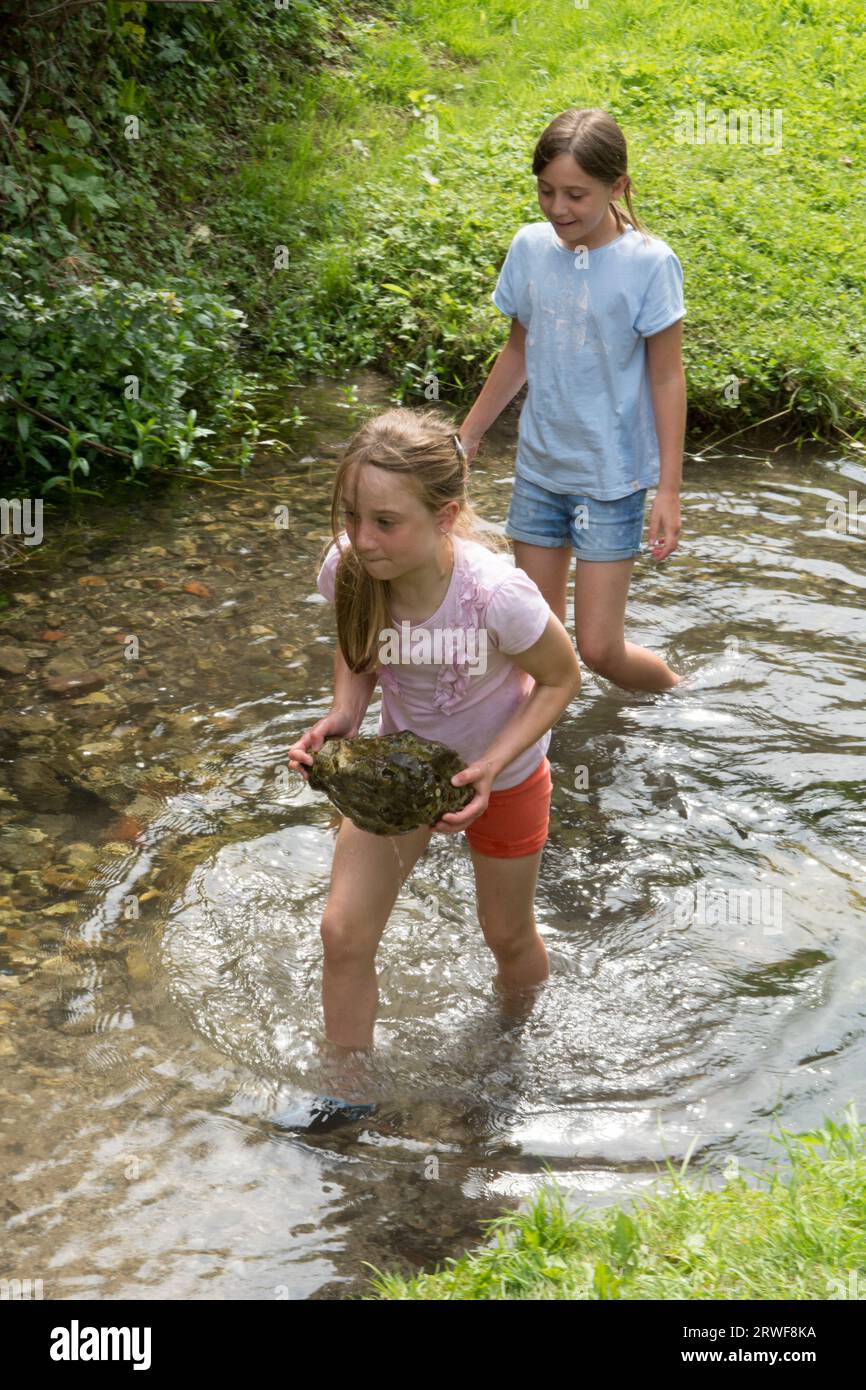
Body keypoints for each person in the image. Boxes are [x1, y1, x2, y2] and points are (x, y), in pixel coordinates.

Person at [288, 407, 581, 1072]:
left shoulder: (496, 596)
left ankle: (515, 1045)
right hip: (403, 774)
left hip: (504, 781)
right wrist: (344, 712)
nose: (363, 538)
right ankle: (346, 1085)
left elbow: (562, 681)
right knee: (343, 932)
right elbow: (359, 648)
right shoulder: (350, 569)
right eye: (352, 516)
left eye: (386, 522)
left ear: (446, 517)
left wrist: (491, 764)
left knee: (506, 936)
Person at [458, 106, 687, 692]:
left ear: (618, 187)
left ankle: (679, 700)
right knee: (536, 643)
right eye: (546, 191)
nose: (559, 208)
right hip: (540, 472)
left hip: (610, 480)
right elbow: (519, 352)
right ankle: (536, 770)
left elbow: (666, 379)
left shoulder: (649, 264)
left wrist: (666, 489)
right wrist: (469, 433)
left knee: (599, 649)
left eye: (576, 195)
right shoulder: (531, 249)